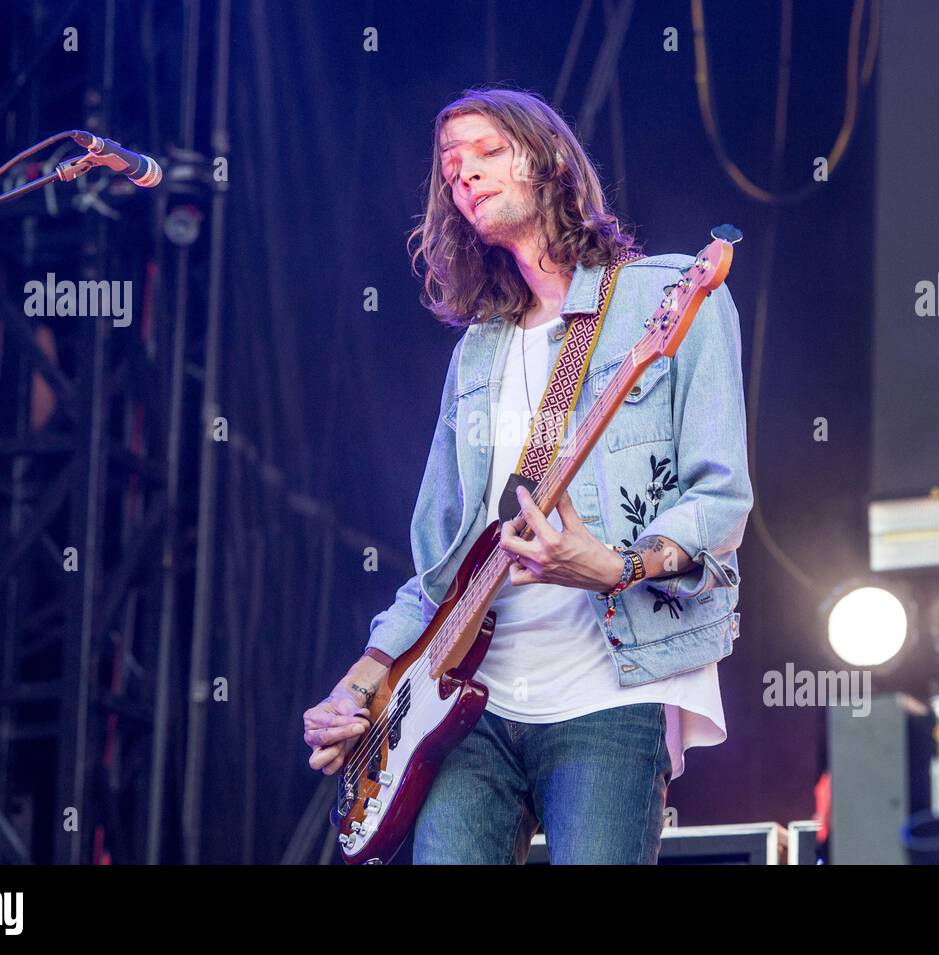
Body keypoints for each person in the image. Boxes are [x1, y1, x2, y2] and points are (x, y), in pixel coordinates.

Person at [303, 88, 752, 864]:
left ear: (548, 161)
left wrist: (614, 566)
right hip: (463, 711)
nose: (463, 176)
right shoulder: (477, 351)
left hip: (611, 691)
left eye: (485, 152)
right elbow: (443, 562)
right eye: (450, 167)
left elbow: (719, 495)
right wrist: (368, 676)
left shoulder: (671, 296)